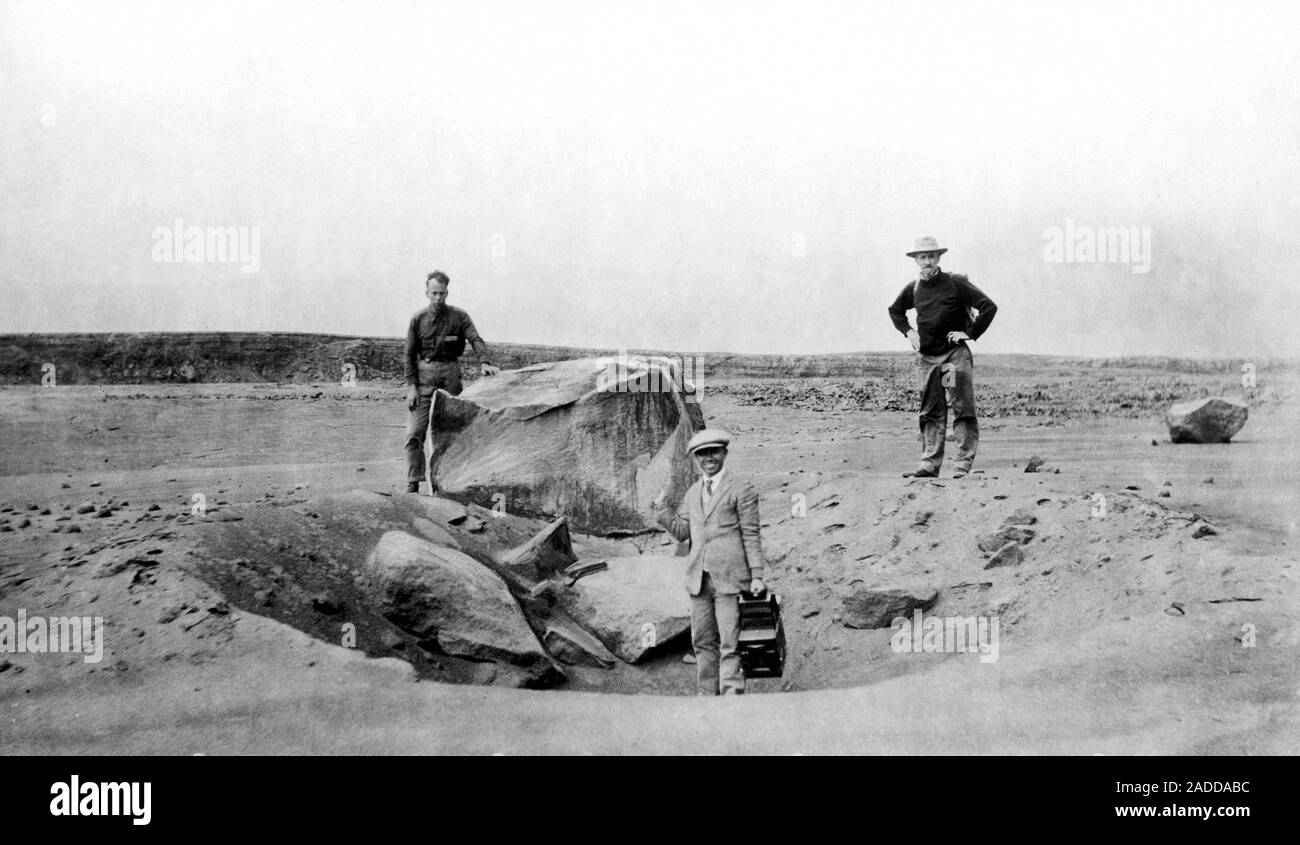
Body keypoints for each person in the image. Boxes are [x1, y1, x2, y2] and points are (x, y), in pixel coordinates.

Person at [653, 429, 767, 695]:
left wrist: (757, 575)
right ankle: (707, 697)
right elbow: (684, 533)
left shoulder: (742, 488)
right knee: (702, 641)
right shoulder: (693, 492)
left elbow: (751, 534)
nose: (709, 458)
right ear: (695, 459)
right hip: (699, 581)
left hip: (730, 578)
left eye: (714, 452)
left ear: (724, 453)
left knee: (731, 642)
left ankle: (731, 697)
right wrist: (661, 510)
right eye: (702, 454)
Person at [887, 236, 998, 479]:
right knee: (931, 410)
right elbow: (895, 311)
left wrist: (968, 334)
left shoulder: (955, 283)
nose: (927, 261)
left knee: (960, 405)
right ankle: (929, 464)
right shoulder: (913, 288)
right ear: (916, 260)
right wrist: (909, 331)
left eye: (931, 256)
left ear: (939, 258)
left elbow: (988, 306)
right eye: (922, 257)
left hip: (952, 358)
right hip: (928, 360)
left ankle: (962, 463)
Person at [404, 271, 499, 494]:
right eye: (434, 293)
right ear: (426, 293)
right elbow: (408, 354)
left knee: (451, 432)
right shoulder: (417, 319)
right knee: (414, 432)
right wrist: (411, 387)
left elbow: (475, 338)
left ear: (447, 292)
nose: (438, 298)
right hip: (423, 377)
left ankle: (449, 484)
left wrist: (484, 362)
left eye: (442, 293)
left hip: (450, 375)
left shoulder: (459, 317)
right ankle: (413, 482)